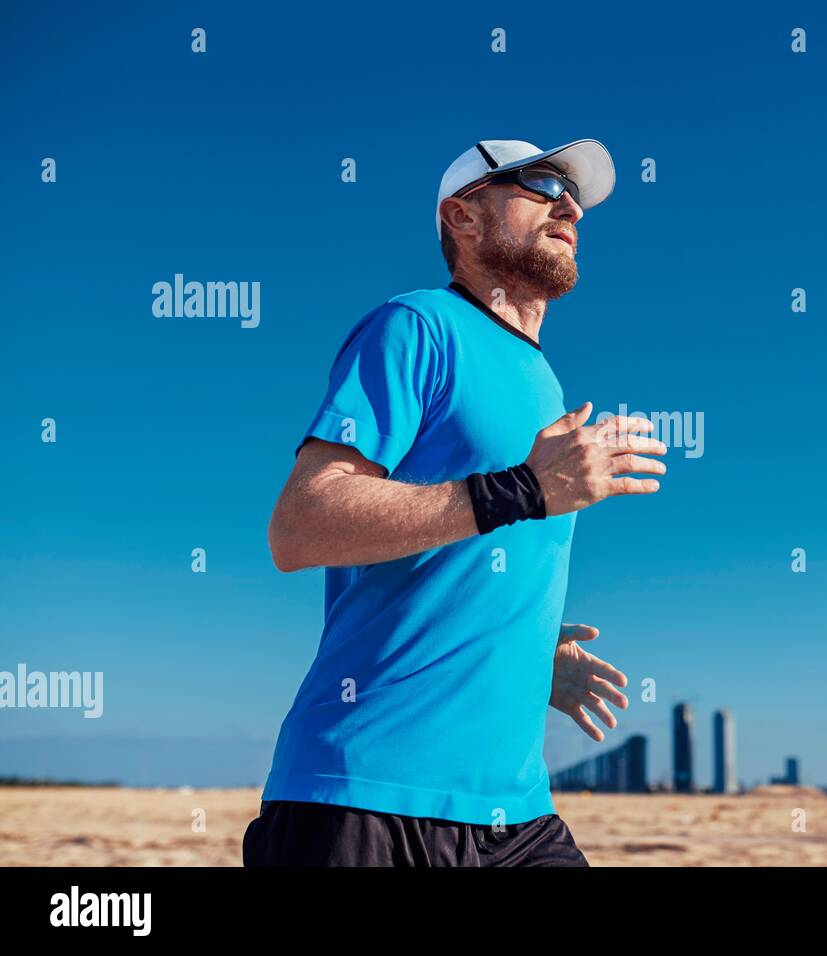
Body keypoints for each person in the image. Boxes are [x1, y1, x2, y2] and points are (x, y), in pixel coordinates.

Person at [242, 138, 667, 866]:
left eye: (573, 194)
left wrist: (527, 660)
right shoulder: (417, 326)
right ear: (462, 217)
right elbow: (300, 525)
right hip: (366, 799)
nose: (567, 205)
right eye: (538, 184)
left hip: (516, 813)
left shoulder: (545, 381)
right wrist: (526, 487)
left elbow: (465, 561)